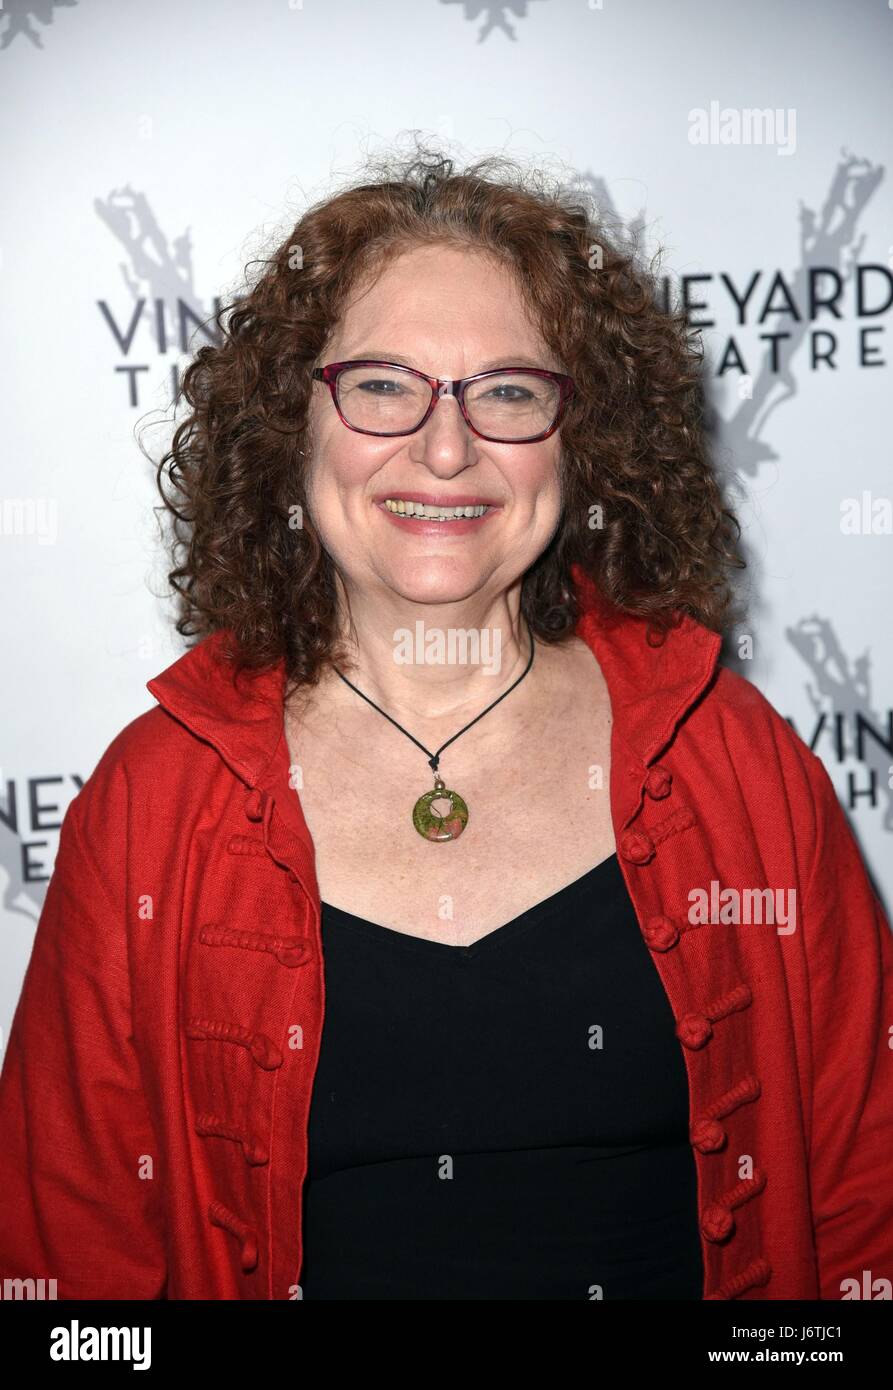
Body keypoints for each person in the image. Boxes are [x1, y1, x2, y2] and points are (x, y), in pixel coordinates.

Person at [1, 147, 891, 1301]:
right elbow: (67, 1276)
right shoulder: (153, 802)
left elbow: (863, 1209)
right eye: (381, 384)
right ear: (292, 427)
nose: (444, 446)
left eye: (509, 391)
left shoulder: (731, 756)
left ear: (583, 447)